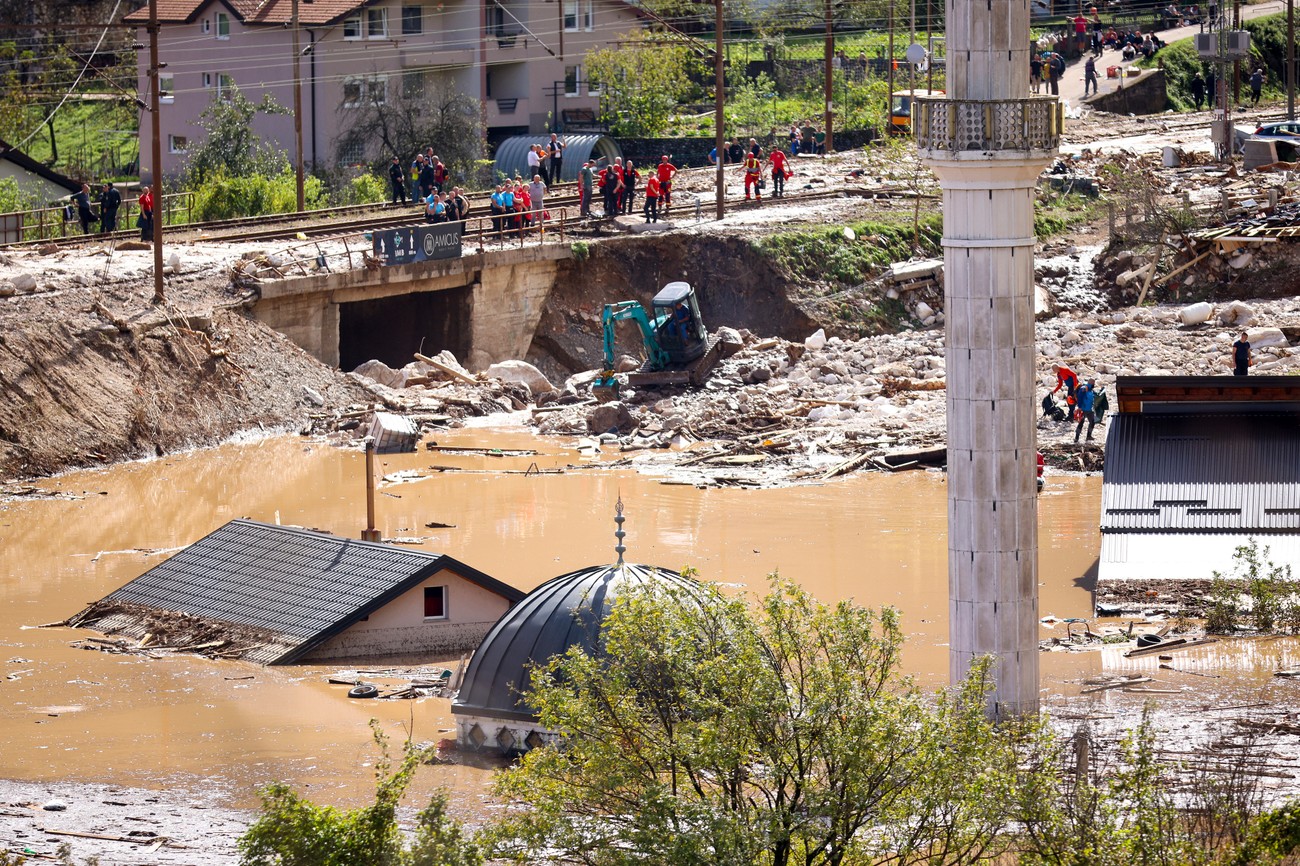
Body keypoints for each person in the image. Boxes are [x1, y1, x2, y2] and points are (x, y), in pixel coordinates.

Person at [1074, 378, 1097, 443]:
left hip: (1089, 409)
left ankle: (1088, 436)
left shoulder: (1090, 390)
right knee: (1081, 423)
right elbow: (1080, 398)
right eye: (1093, 383)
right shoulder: (1084, 388)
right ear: (1091, 383)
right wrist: (1080, 407)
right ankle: (1076, 438)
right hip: (1083, 409)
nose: (1094, 385)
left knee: (1092, 422)